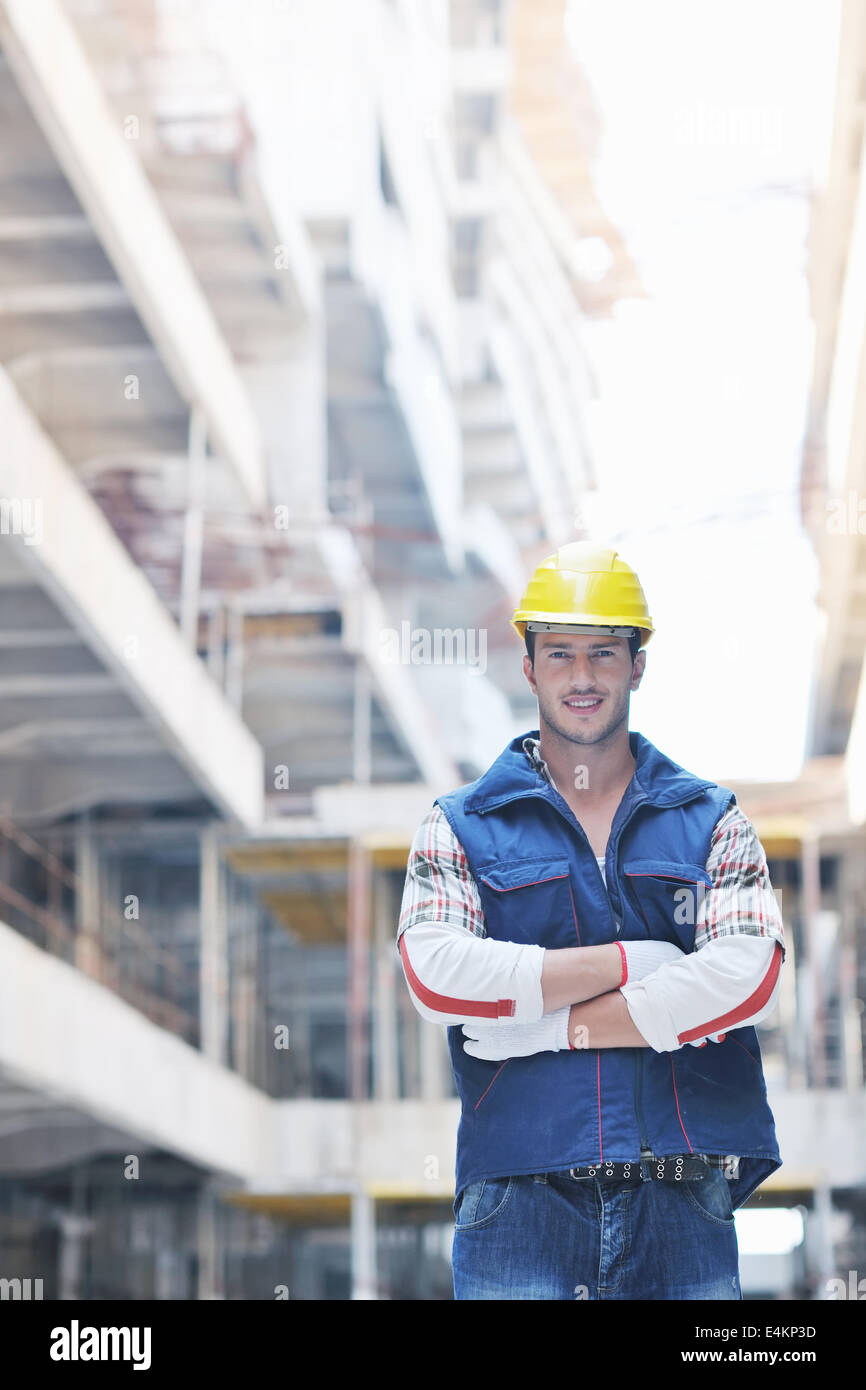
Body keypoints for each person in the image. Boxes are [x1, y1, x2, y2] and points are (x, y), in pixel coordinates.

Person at [396, 542, 785, 1300]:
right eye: (561, 653)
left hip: (680, 1193)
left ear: (638, 664)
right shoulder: (461, 825)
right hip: (519, 1199)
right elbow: (436, 979)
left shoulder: (711, 820)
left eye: (604, 653)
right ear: (529, 664)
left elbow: (752, 977)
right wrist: (636, 964)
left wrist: (550, 1026)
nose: (582, 677)